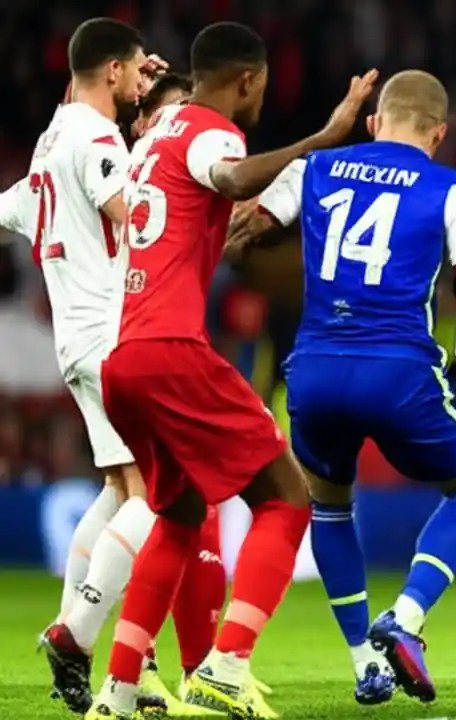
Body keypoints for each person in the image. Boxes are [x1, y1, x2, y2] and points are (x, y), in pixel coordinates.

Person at [84, 21, 376, 720]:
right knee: (288, 498)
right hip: (173, 351)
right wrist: (322, 137)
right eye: (261, 88)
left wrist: (236, 218)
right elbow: (227, 172)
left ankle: (118, 693)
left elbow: (195, 208)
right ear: (246, 80)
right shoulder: (214, 130)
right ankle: (226, 663)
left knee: (179, 516)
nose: (259, 101)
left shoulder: (155, 134)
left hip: (123, 357)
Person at [251, 68, 456, 706]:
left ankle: (364, 664)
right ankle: (406, 617)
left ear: (373, 122)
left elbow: (243, 231)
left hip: (313, 367)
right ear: (438, 134)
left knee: (330, 503)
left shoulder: (313, 169)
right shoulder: (453, 191)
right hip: (399, 371)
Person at [0, 18, 178, 715]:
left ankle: (73, 638)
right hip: (113, 335)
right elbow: (131, 212)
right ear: (111, 70)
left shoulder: (52, 140)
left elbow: (13, 209)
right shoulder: (95, 137)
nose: (143, 85)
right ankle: (73, 635)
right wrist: (169, 151)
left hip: (76, 341)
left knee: (116, 490)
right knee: (156, 497)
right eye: (137, 74)